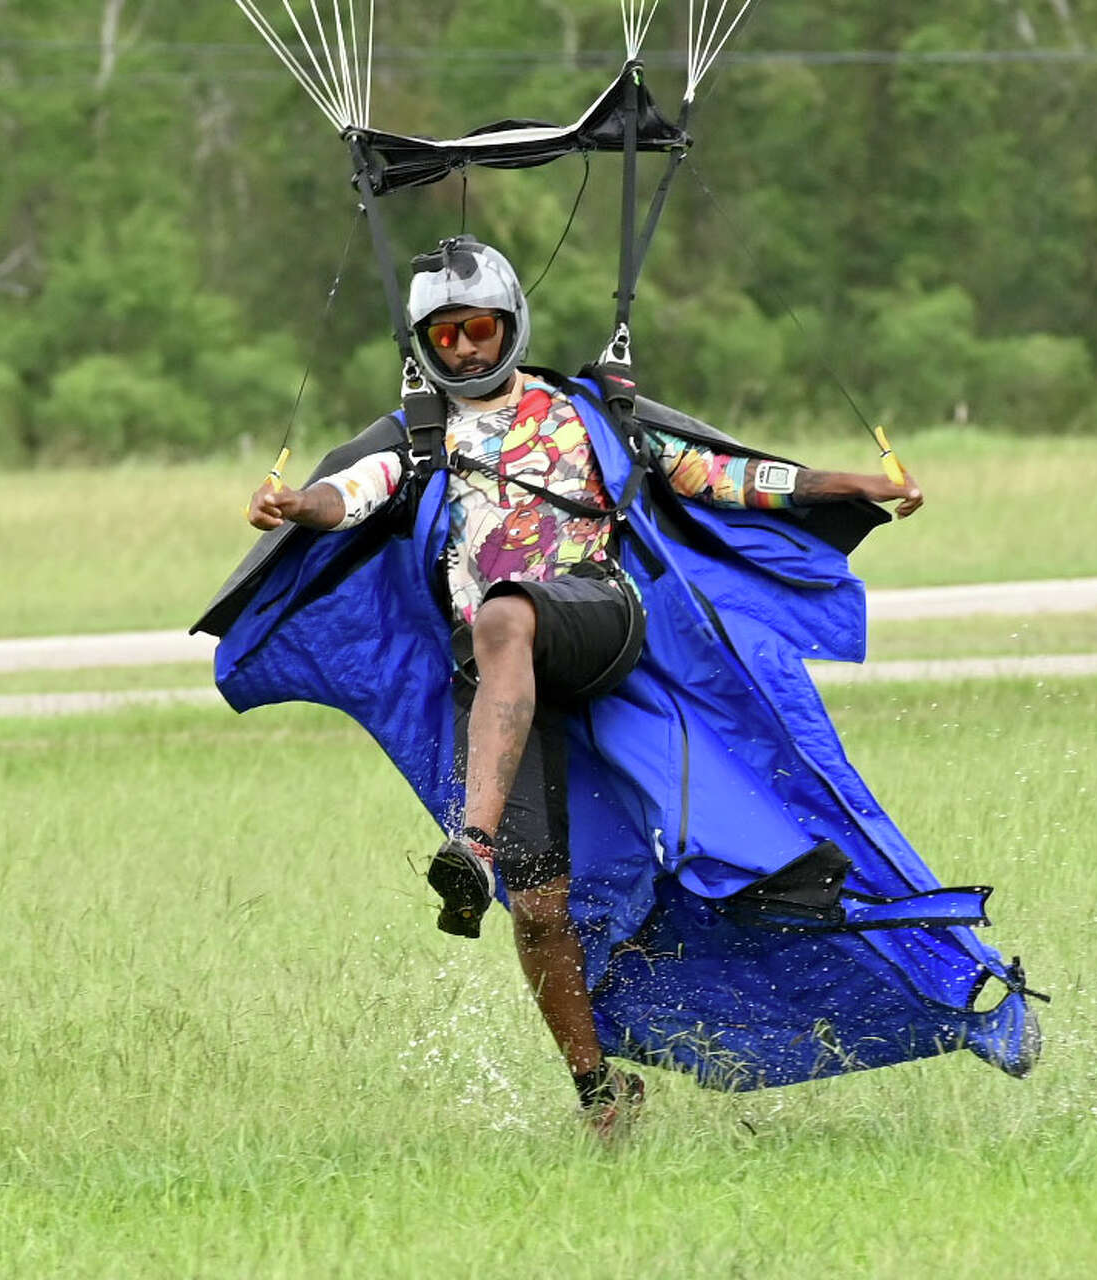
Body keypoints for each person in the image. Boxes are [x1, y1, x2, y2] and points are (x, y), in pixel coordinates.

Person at [242, 236, 925, 1131]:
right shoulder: (416, 441)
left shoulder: (583, 414)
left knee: (504, 613)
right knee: (538, 907)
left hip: (598, 618)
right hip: (495, 677)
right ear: (421, 347)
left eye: (478, 328)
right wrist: (299, 505)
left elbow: (715, 475)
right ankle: (600, 1093)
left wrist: (849, 482)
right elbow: (352, 495)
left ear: (511, 322)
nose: (465, 351)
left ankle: (471, 842)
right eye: (443, 339)